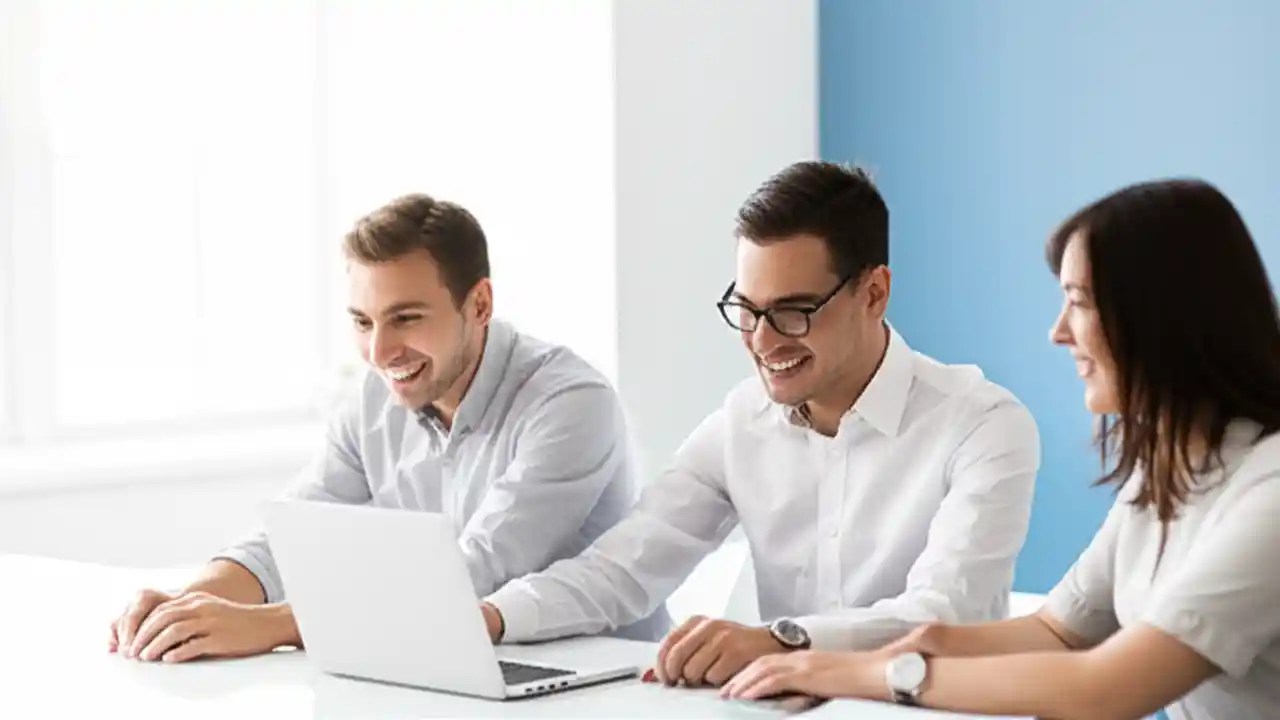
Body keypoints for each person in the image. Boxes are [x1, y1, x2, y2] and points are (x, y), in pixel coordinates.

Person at [722, 178, 1280, 720]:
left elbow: (1106, 690)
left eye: (1079, 302)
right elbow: (1058, 632)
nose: (1058, 332)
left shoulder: (1269, 492)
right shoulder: (1168, 475)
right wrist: (899, 650)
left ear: (1162, 316)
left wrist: (853, 674)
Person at [481, 161, 1041, 689]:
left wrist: (783, 641)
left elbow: (945, 614)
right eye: (747, 310)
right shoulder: (739, 424)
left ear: (874, 293)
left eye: (793, 311)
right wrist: (492, 618)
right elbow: (620, 569)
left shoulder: (984, 425)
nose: (763, 341)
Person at [108, 193, 662, 664]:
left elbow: (476, 572)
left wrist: (274, 625)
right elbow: (295, 533)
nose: (380, 351)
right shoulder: (376, 400)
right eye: (362, 321)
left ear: (480, 304)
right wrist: (189, 604)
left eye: (406, 318)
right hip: (440, 671)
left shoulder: (570, 403)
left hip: (599, 681)